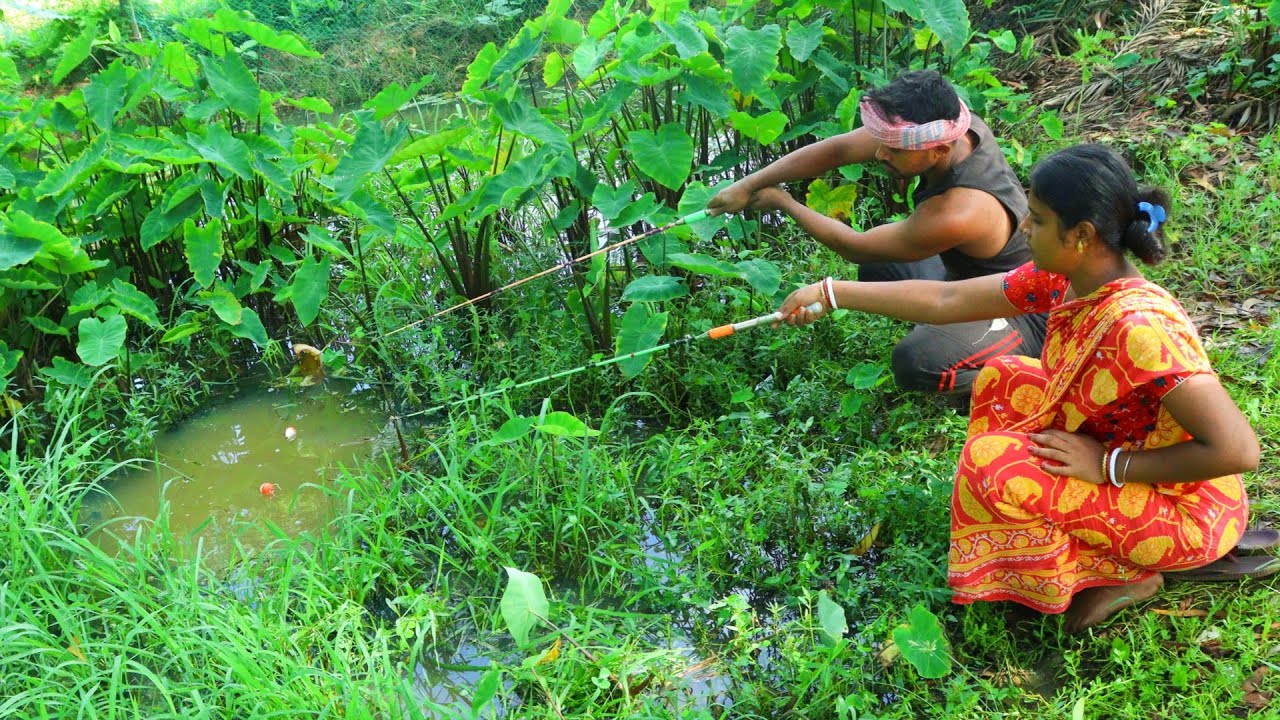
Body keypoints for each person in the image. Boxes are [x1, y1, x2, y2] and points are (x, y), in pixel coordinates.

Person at [773, 144, 1260, 631]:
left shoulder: (1141, 330)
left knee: (994, 463)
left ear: (1082, 236)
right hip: (1130, 461)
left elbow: (1238, 450)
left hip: (1183, 511)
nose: (1023, 227)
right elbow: (948, 298)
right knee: (1006, 377)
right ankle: (1067, 551)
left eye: (1038, 218)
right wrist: (833, 292)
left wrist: (1108, 465)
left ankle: (1122, 573)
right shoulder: (1064, 281)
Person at [708, 70, 1046, 400]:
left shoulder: (958, 212)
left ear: (939, 150)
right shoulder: (949, 125)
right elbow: (837, 151)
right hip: (964, 280)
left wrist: (784, 202)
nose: (880, 154)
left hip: (1019, 309)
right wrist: (746, 184)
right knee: (879, 270)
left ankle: (1027, 379)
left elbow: (856, 247)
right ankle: (953, 334)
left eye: (894, 151)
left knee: (917, 361)